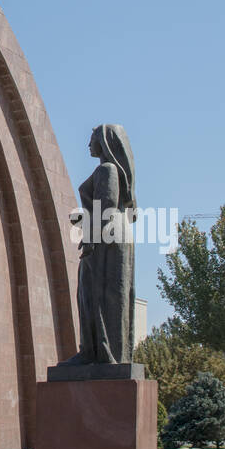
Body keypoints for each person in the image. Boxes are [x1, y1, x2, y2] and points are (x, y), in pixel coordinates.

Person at [60, 123, 136, 366]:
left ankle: (98, 353)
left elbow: (106, 205)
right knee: (105, 296)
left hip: (105, 239)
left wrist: (91, 238)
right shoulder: (110, 170)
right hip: (111, 235)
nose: (88, 144)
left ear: (104, 142)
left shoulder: (107, 169)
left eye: (92, 139)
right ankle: (101, 352)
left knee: (94, 295)